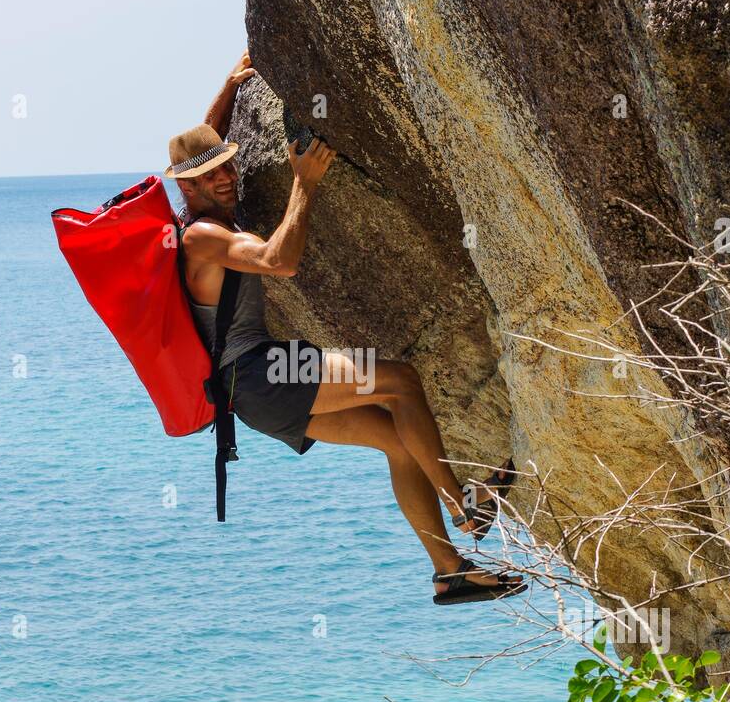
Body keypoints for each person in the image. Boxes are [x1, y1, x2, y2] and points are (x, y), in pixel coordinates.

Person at [166, 50, 524, 605]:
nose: (225, 178)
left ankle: (448, 570)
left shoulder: (197, 207)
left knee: (398, 440)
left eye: (226, 166)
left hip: (247, 393)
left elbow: (205, 141)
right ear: (186, 189)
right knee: (399, 380)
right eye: (209, 176)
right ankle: (464, 508)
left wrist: (230, 85)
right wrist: (303, 182)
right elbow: (279, 261)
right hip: (258, 372)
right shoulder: (202, 238)